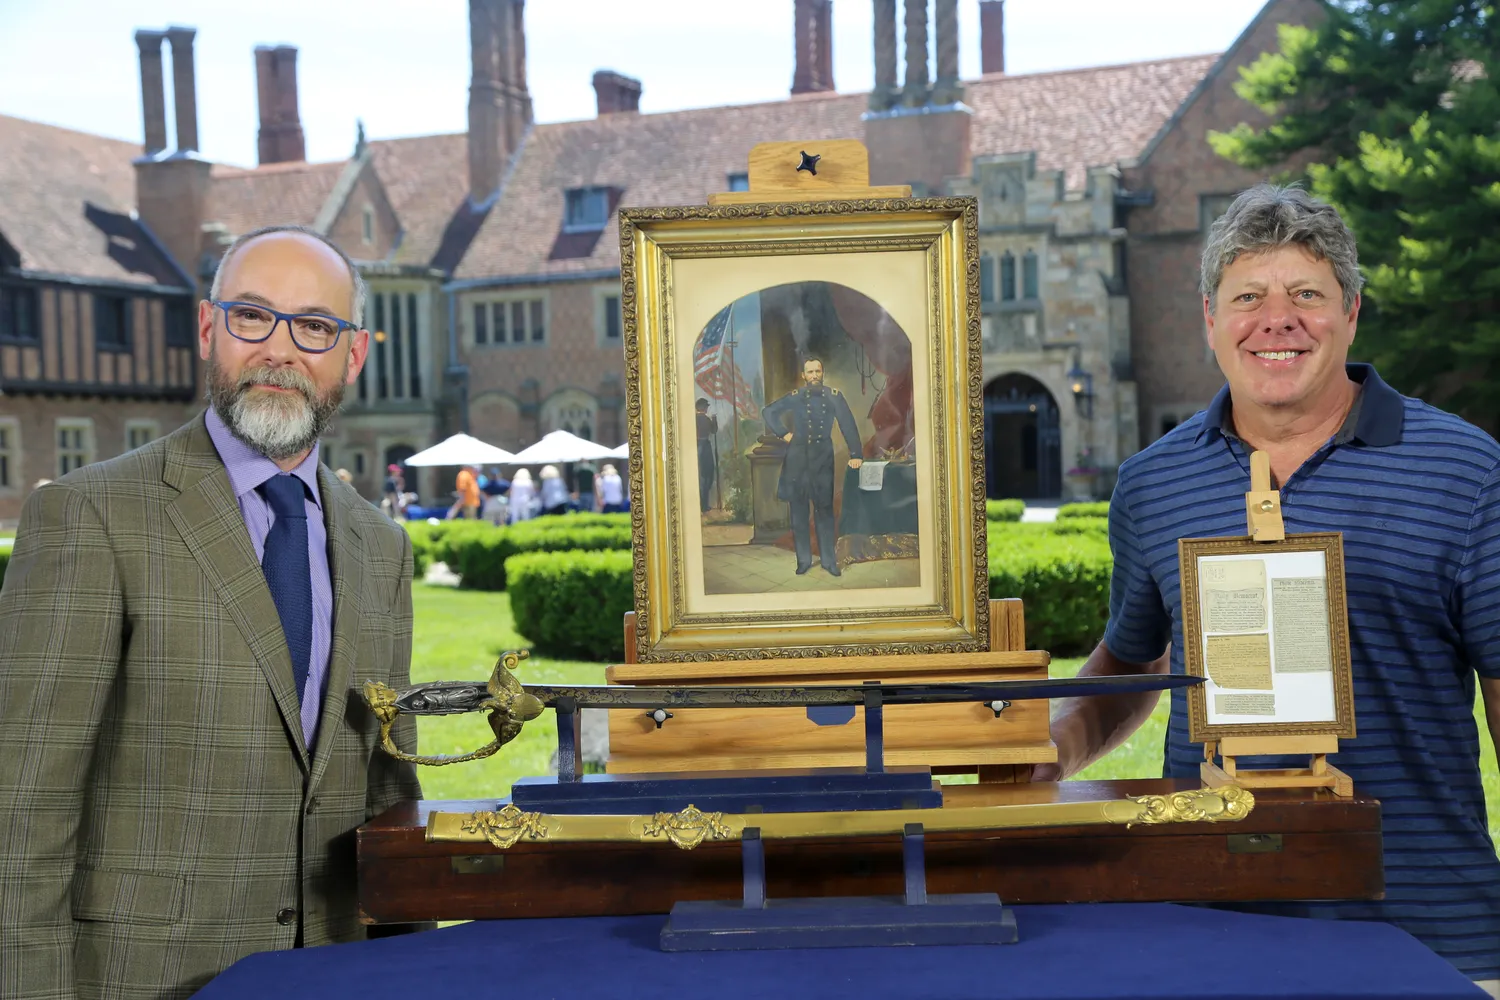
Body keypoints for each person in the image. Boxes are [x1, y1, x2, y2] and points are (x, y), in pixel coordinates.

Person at [1040, 185, 1500, 992]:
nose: (1277, 319)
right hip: (1207, 927)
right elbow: (1133, 660)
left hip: (1431, 933)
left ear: (1351, 312)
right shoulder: (1153, 483)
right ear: (1210, 320)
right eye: (1248, 296)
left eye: (1307, 295)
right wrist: (1053, 749)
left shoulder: (1465, 472)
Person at [0, 224, 422, 998]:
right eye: (252, 316)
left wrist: (405, 969)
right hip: (143, 979)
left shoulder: (381, 547)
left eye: (315, 327)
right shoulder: (90, 515)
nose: (280, 350)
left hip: (336, 971)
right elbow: (21, 808)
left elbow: (388, 795)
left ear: (352, 356)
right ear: (208, 328)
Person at [762, 358, 863, 576]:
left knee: (824, 510)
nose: (814, 375)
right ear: (803, 375)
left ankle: (828, 561)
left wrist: (856, 453)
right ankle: (804, 561)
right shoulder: (796, 397)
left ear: (823, 373)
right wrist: (784, 434)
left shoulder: (834, 396)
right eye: (810, 372)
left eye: (818, 371)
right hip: (797, 459)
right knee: (798, 511)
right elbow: (768, 412)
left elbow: (847, 424)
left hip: (822, 459)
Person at [695, 397, 718, 512]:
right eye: (706, 407)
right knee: (706, 475)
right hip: (703, 447)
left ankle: (703, 505)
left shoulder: (695, 419)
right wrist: (714, 419)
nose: (707, 408)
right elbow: (714, 430)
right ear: (703, 408)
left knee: (704, 476)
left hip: (700, 446)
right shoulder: (704, 419)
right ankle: (703, 505)